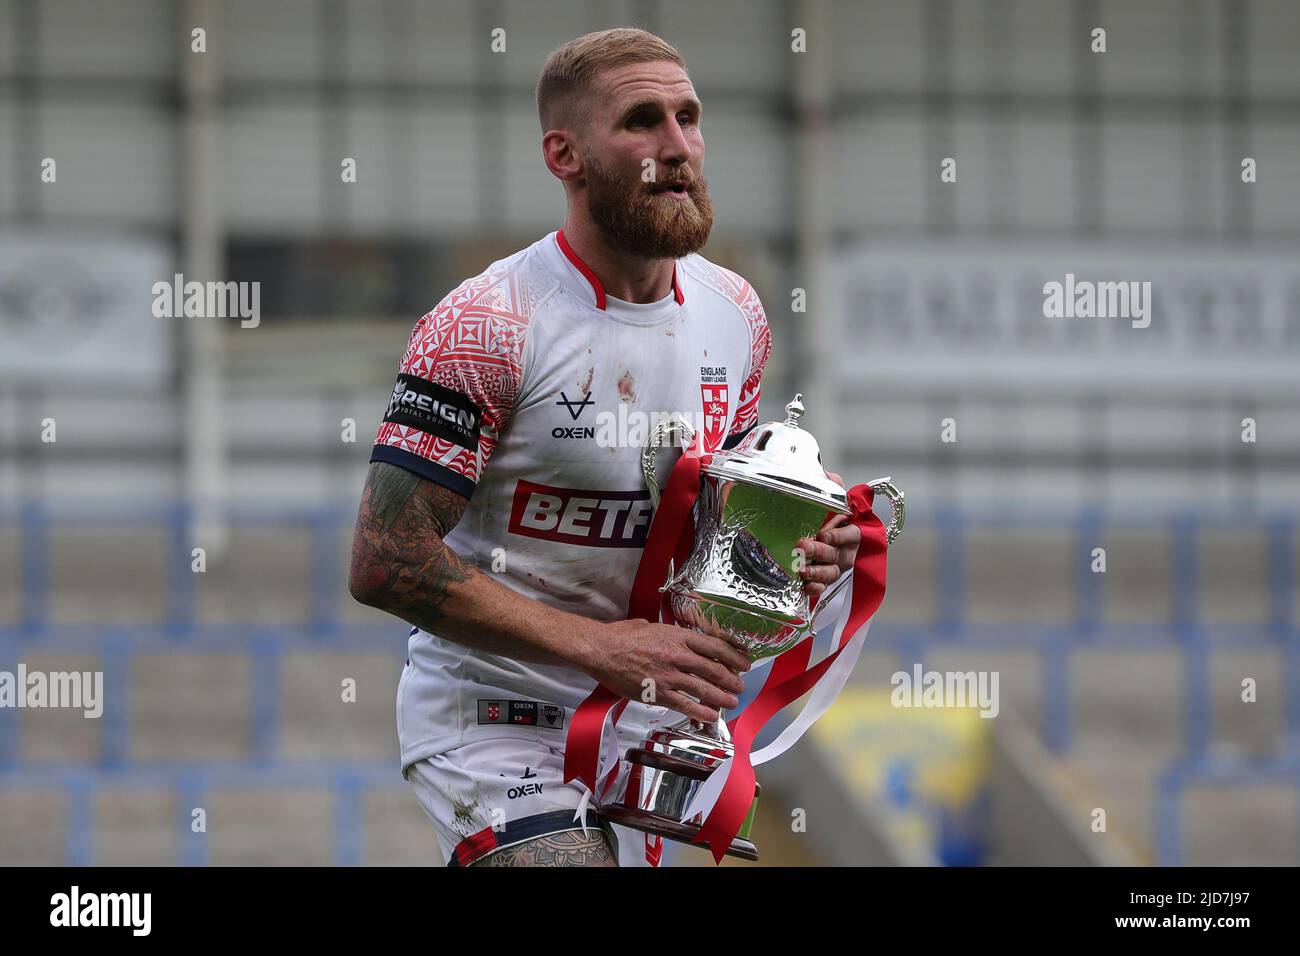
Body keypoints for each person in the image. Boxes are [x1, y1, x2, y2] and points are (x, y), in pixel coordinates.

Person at [348, 27, 859, 867]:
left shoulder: (735, 313)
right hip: (494, 719)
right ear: (565, 154)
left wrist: (798, 548)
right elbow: (382, 560)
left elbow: (712, 537)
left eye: (690, 118)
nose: (679, 147)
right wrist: (601, 648)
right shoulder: (486, 324)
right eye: (642, 121)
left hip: (654, 726)